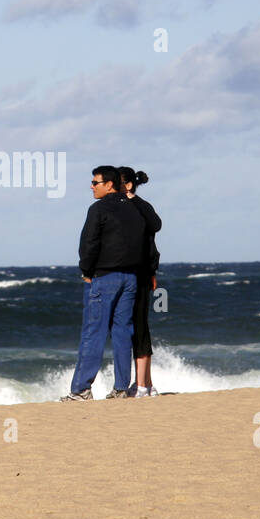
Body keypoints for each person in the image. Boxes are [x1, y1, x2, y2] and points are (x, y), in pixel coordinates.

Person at [60, 165, 147, 401]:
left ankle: (81, 389)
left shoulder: (98, 209)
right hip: (130, 277)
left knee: (94, 332)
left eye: (95, 182)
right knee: (122, 333)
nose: (91, 186)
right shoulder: (134, 208)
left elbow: (88, 243)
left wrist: (86, 271)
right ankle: (121, 388)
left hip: (105, 277)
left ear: (109, 184)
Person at [118, 167, 162, 396]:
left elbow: (155, 227)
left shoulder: (135, 207)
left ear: (127, 185)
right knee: (138, 326)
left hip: (139, 274)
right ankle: (146, 383)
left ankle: (143, 386)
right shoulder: (140, 206)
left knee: (139, 328)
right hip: (142, 273)